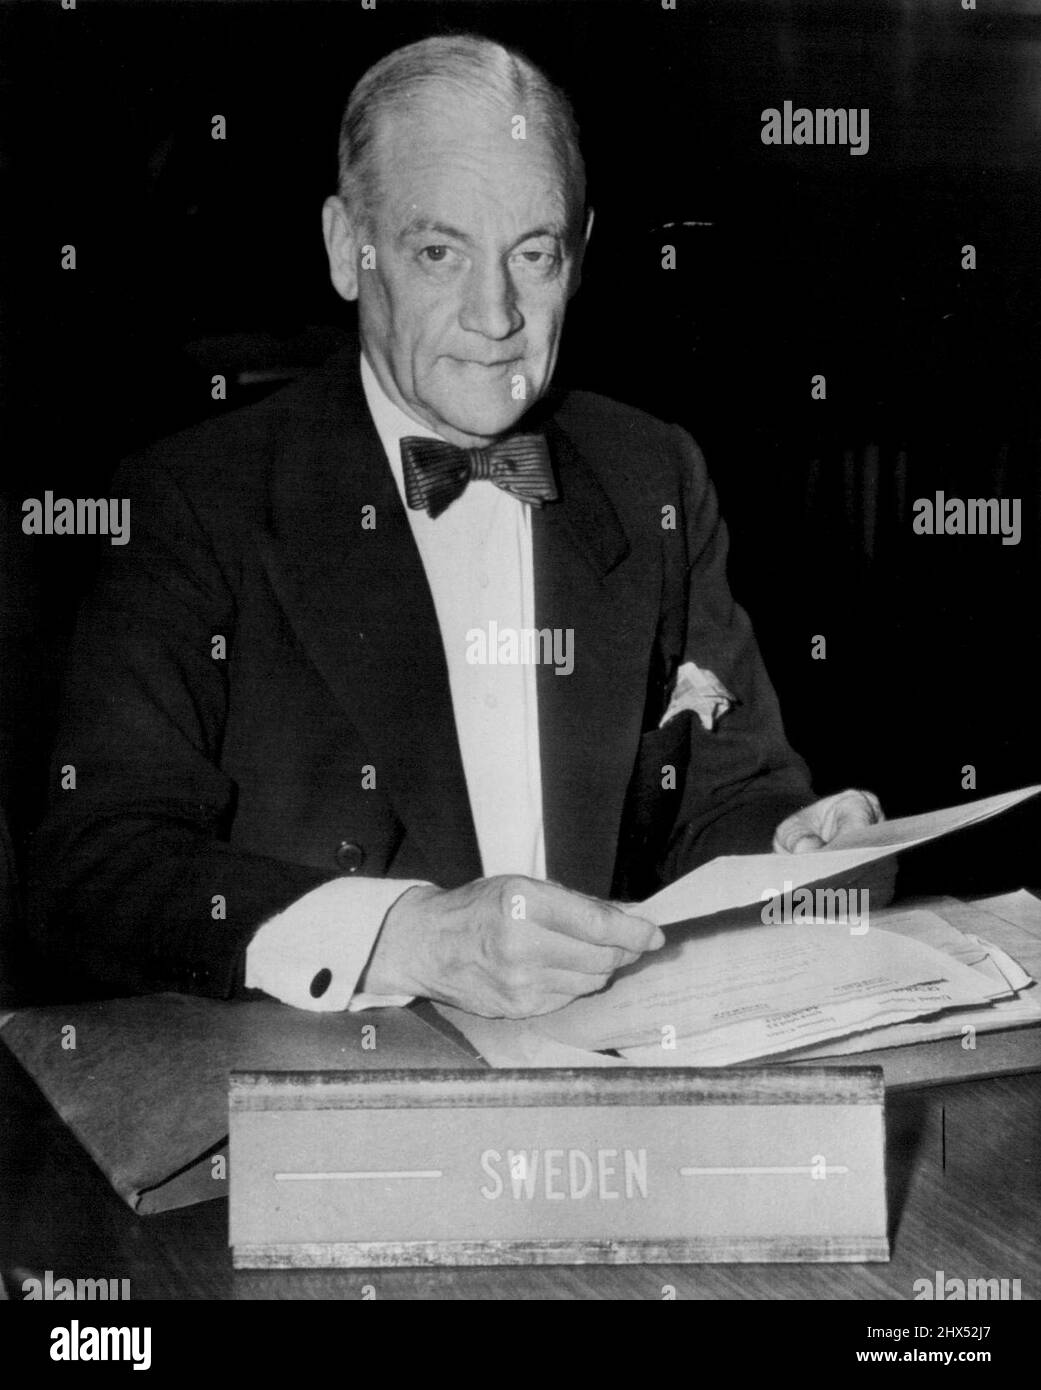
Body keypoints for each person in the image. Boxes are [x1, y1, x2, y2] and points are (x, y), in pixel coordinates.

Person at [27, 34, 884, 1020]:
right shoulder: (195, 499)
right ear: (348, 250)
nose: (496, 316)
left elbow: (729, 794)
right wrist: (406, 936)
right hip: (329, 1110)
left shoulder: (652, 472)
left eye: (534, 254)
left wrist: (798, 847)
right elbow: (94, 864)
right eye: (440, 253)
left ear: (582, 252)